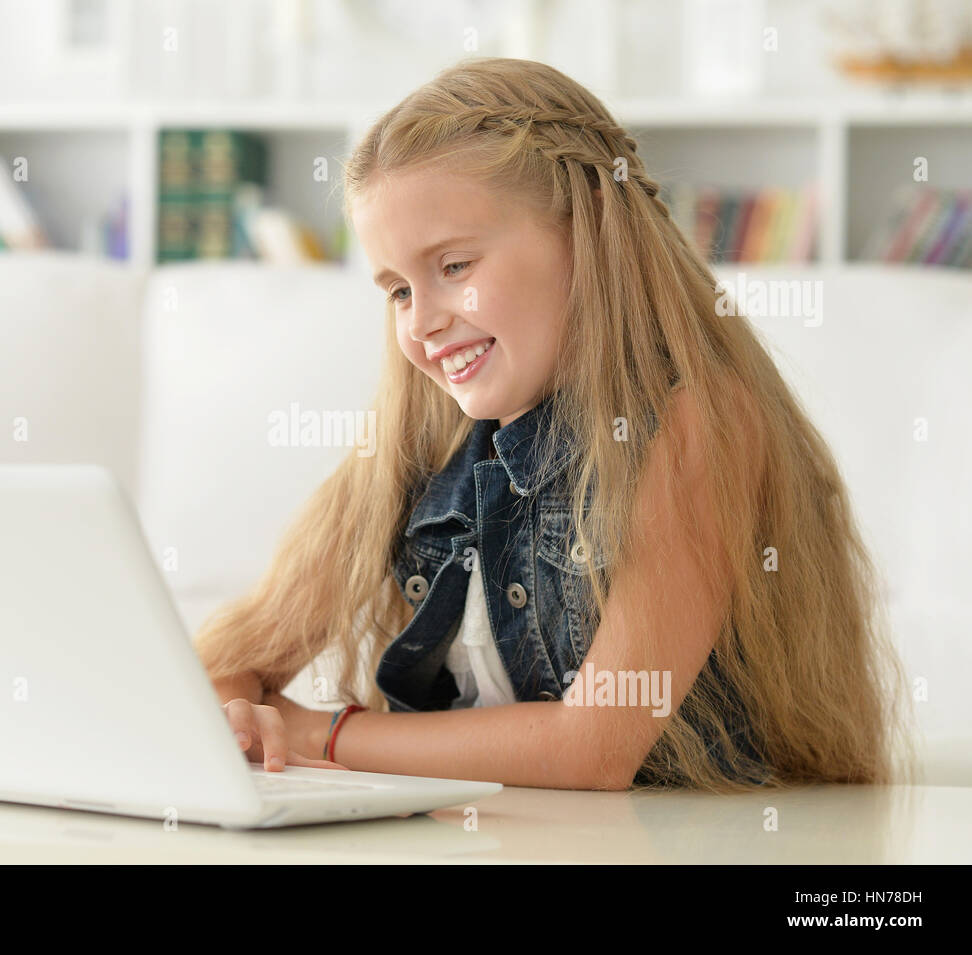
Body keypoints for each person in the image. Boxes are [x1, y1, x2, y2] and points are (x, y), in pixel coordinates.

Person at [195, 57, 916, 792]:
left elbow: (592, 746)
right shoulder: (424, 439)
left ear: (589, 228)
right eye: (399, 290)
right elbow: (235, 659)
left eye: (453, 265)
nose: (422, 323)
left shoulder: (703, 420)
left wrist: (321, 731)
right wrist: (241, 718)